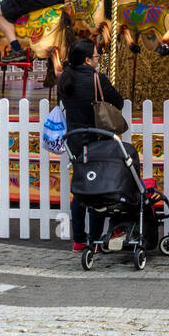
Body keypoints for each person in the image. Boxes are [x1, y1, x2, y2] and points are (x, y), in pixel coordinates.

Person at [57, 39, 125, 252]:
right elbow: (118, 102)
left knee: (80, 190)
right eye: (96, 57)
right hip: (96, 141)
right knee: (97, 191)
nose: (98, 60)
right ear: (87, 59)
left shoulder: (65, 78)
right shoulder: (98, 79)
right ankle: (94, 240)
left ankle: (78, 239)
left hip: (75, 143)